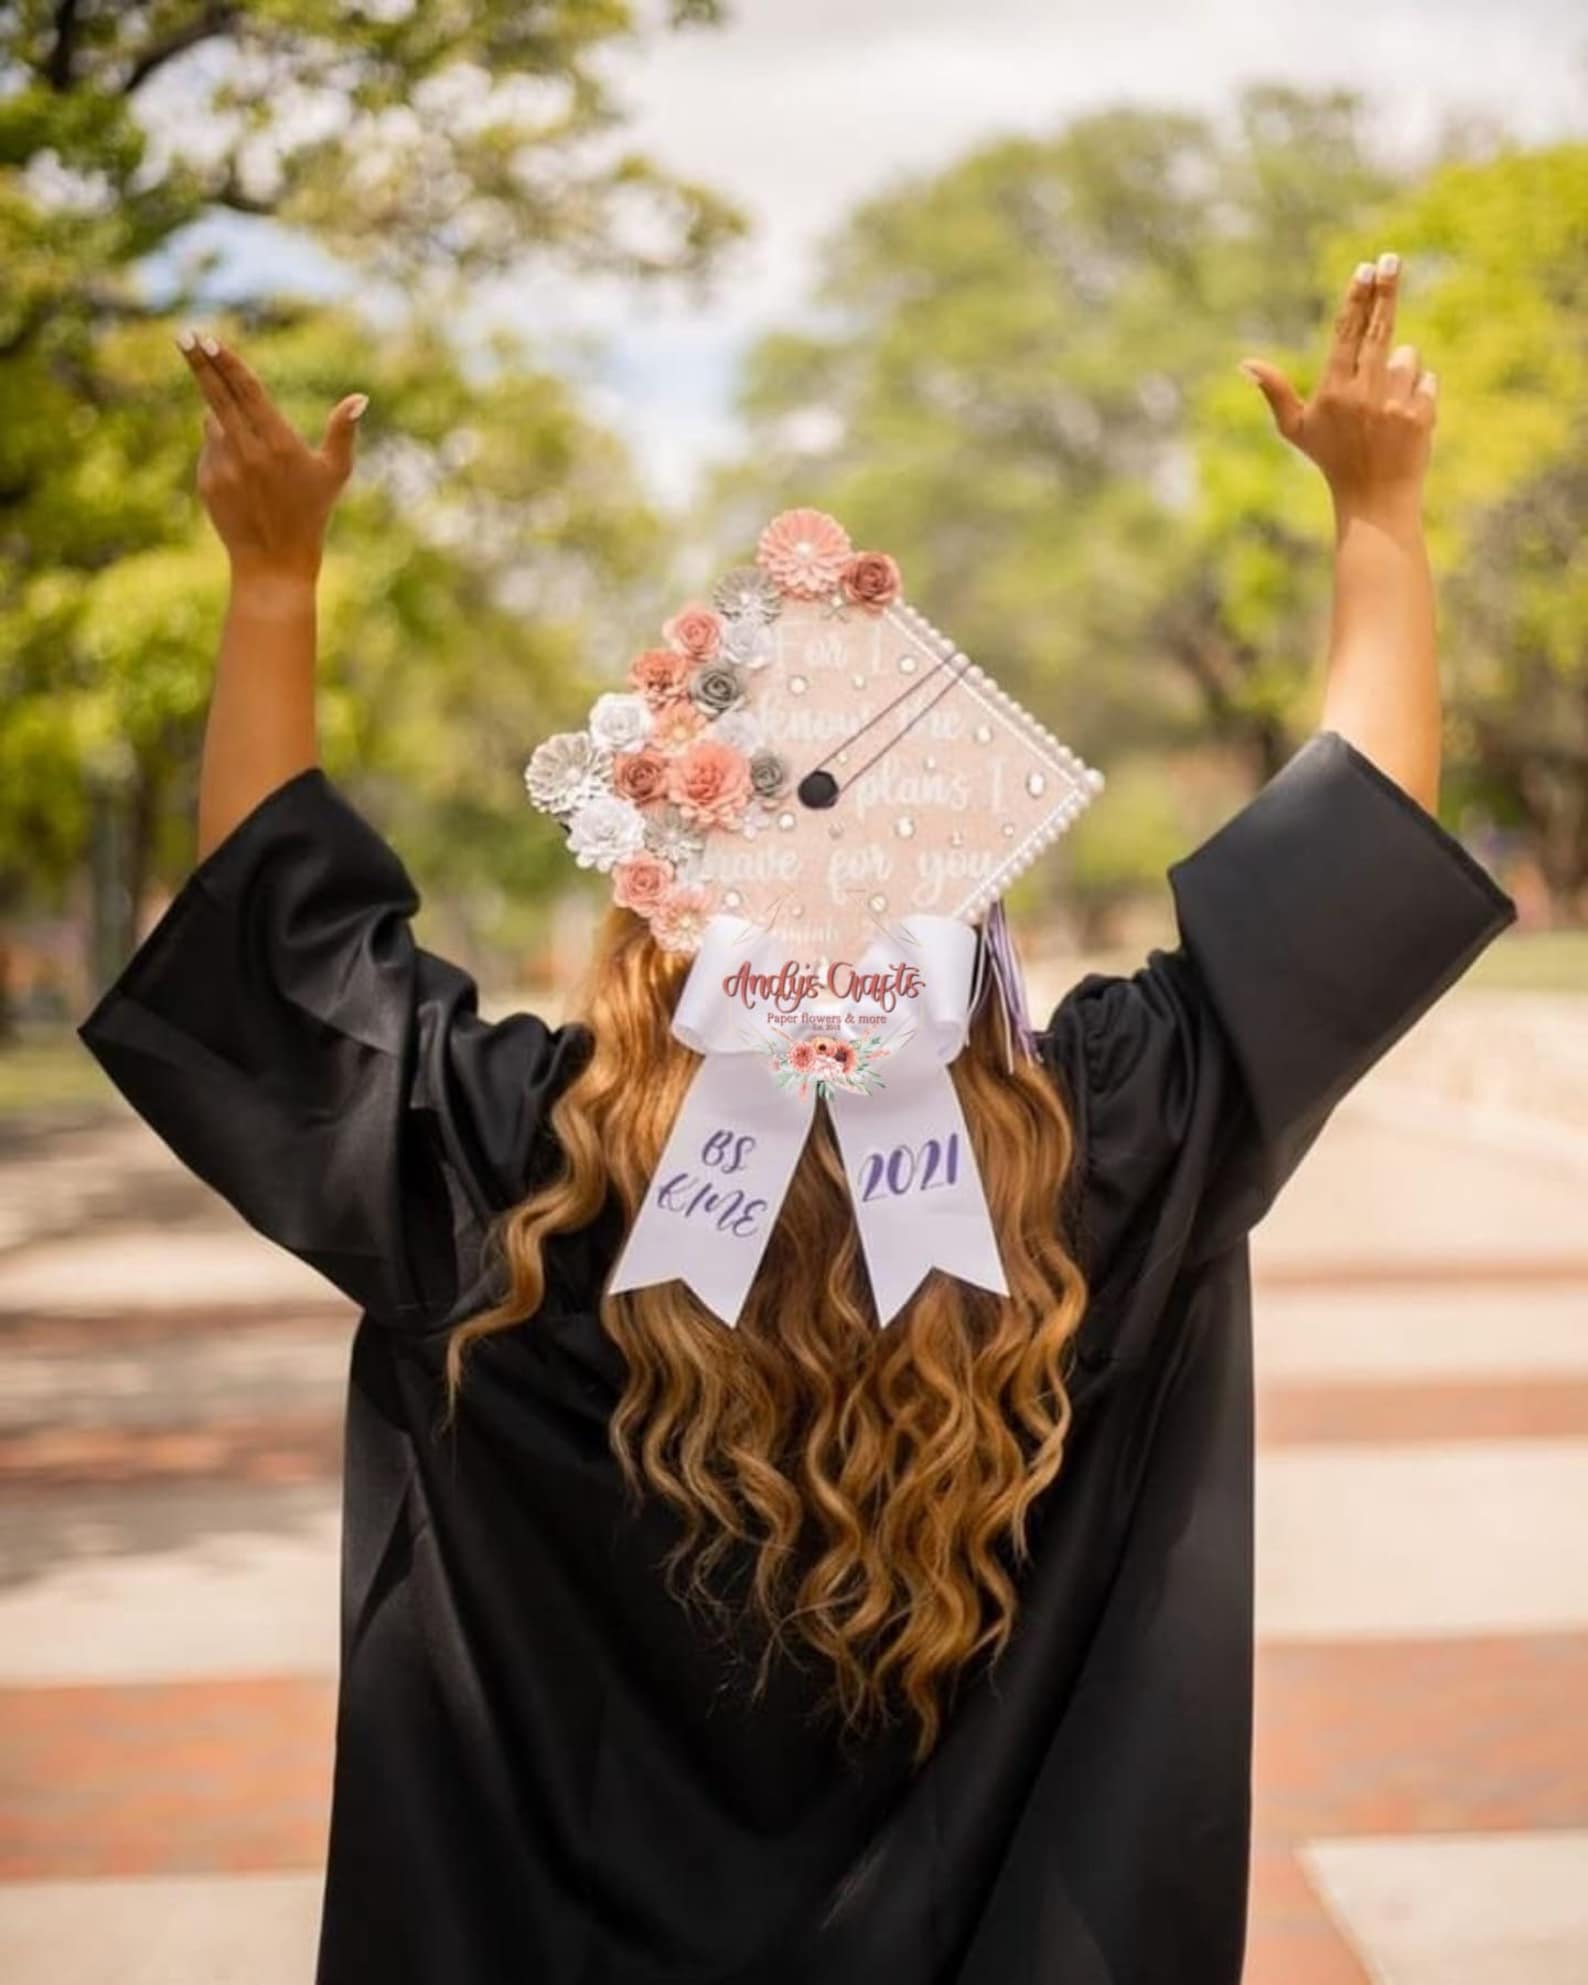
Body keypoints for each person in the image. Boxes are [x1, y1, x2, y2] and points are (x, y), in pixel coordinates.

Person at [77, 250, 1516, 1984]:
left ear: (651, 888)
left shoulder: (513, 1165)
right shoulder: (1098, 1151)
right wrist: (1379, 515)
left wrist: (272, 584)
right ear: (967, 884)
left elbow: (281, 944)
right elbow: (1347, 872)